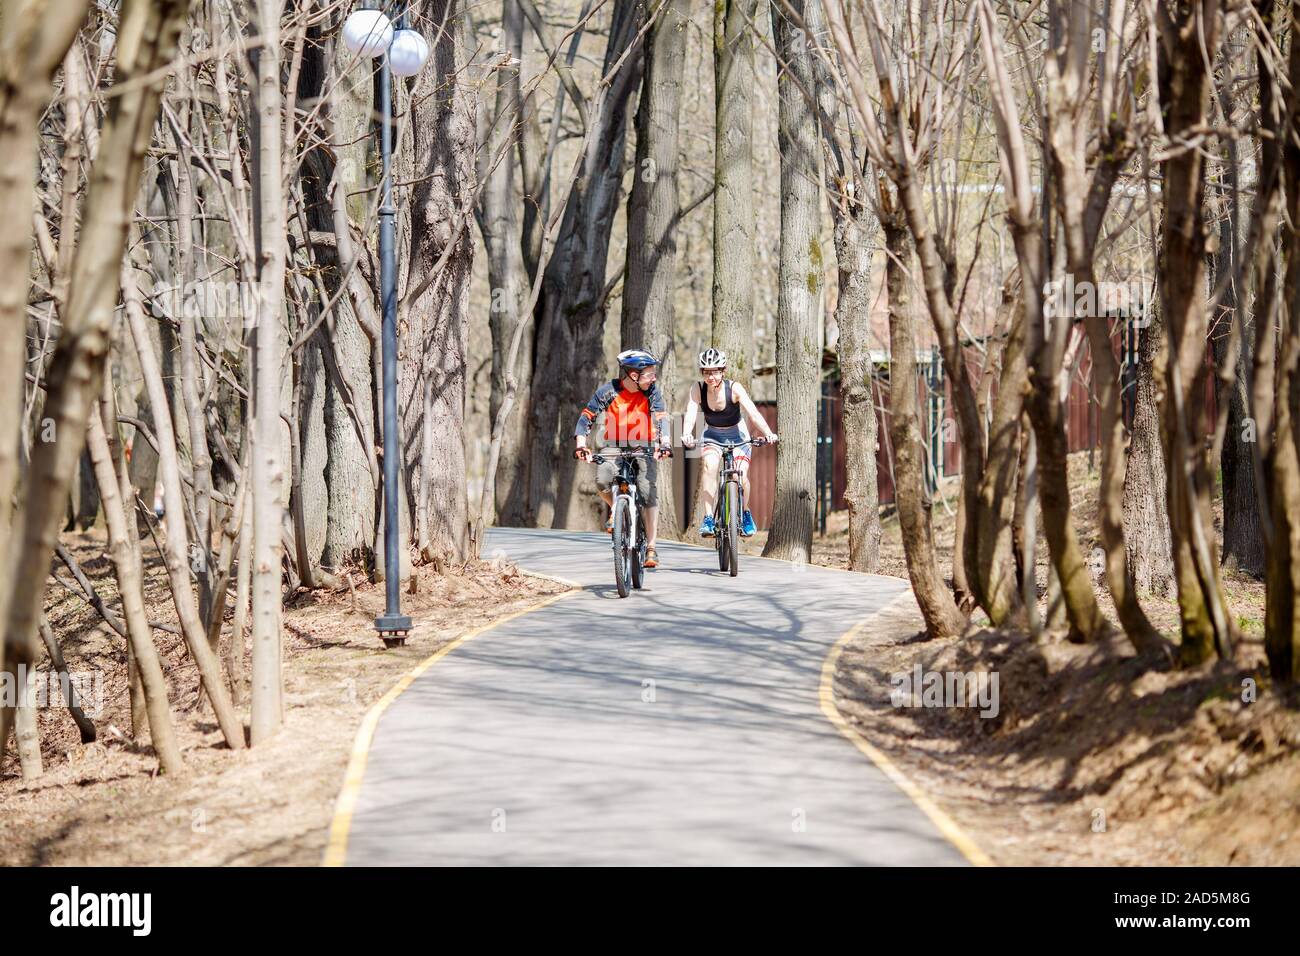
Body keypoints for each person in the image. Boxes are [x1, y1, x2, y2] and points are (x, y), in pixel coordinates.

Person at [574, 349, 672, 568]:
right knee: (602, 480)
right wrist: (581, 444)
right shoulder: (608, 391)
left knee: (647, 490)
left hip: (642, 444)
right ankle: (615, 508)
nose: (654, 378)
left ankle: (651, 547)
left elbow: (662, 418)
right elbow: (586, 417)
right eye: (649, 374)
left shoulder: (652, 392)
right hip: (613, 445)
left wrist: (664, 443)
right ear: (633, 376)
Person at [681, 347, 777, 538]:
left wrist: (768, 432)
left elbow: (753, 414)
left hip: (738, 436)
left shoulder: (734, 388)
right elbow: (691, 414)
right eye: (707, 372)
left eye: (715, 372)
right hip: (712, 436)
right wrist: (686, 434)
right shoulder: (697, 389)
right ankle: (708, 518)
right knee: (710, 466)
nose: (711, 377)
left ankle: (746, 513)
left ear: (723, 371)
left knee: (740, 476)